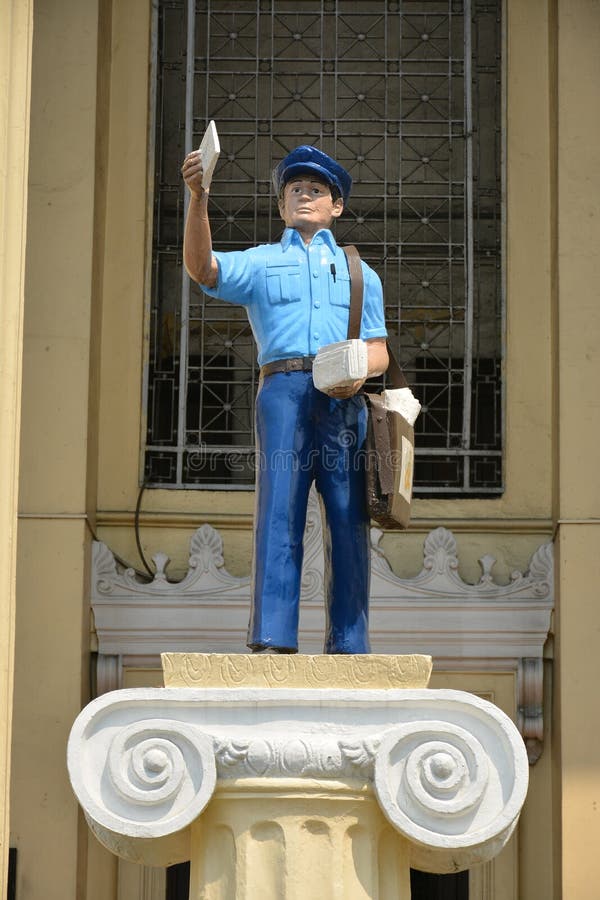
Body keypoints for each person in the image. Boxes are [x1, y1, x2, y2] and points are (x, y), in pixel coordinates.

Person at [181, 144, 388, 654]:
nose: (304, 195)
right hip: (284, 392)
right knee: (280, 510)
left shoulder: (360, 272)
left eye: (316, 190)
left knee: (348, 515)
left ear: (336, 206)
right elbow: (203, 268)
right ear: (281, 205)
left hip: (343, 398)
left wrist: (357, 370)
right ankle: (273, 636)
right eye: (294, 189)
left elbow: (380, 350)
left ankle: (349, 642)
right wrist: (198, 201)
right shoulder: (262, 262)